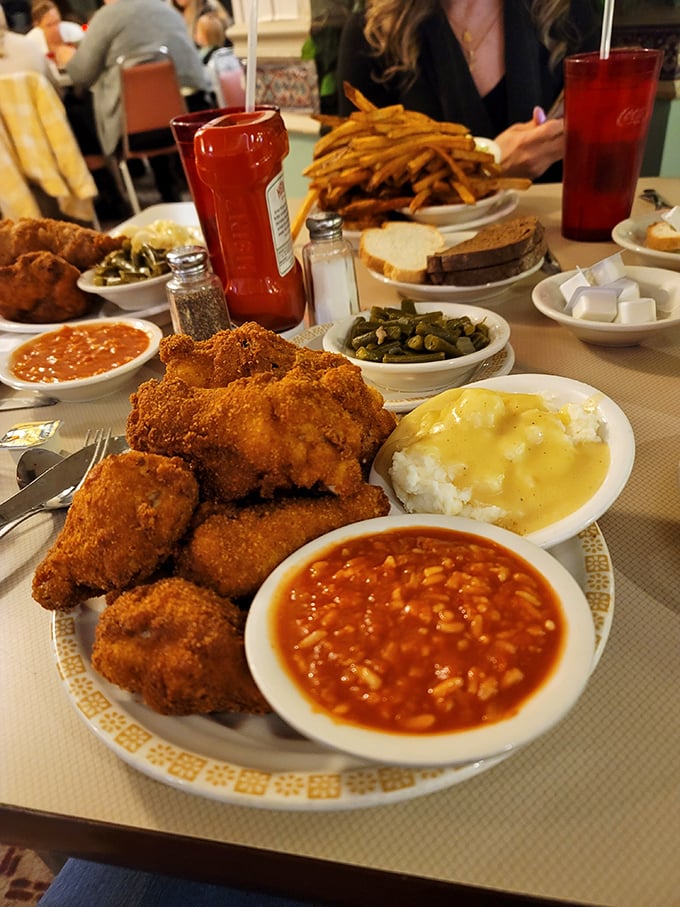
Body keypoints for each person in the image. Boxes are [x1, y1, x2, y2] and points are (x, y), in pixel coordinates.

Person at [336, 0, 601, 181]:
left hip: (558, 250)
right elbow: (351, 180)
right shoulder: (370, 34)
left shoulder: (567, 15)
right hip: (429, 255)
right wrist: (490, 163)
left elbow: (600, 158)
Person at [54, 0, 213, 203]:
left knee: (76, 113)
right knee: (152, 103)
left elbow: (81, 74)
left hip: (136, 131)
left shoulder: (106, 17)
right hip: (189, 119)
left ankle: (111, 199)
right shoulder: (167, 10)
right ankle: (169, 186)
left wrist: (69, 58)